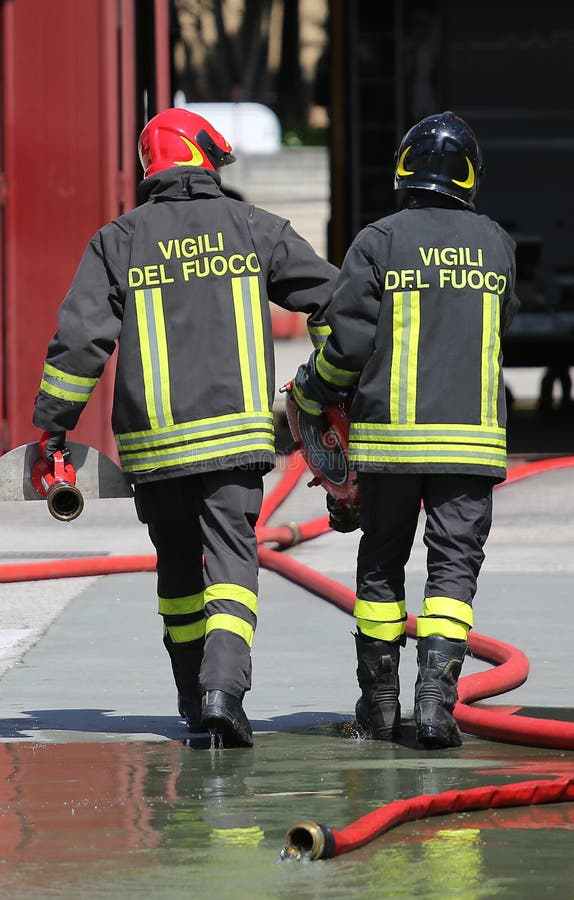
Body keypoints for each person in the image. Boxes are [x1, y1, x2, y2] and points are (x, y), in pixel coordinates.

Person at [32, 107, 338, 748]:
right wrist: (328, 389)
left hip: (154, 451)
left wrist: (53, 431)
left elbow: (80, 343)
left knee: (176, 566)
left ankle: (193, 703)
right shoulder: (253, 227)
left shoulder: (118, 239)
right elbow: (337, 301)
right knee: (231, 563)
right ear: (204, 159)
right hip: (234, 442)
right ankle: (224, 693)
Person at [292, 111, 519, 749]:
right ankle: (436, 707)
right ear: (469, 176)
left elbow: (347, 347)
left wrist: (313, 391)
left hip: (390, 444)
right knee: (453, 569)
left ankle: (379, 707)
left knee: (381, 566)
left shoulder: (379, 241)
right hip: (470, 446)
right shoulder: (496, 243)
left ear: (404, 169)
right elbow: (502, 324)